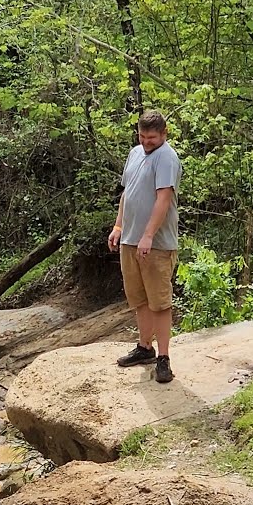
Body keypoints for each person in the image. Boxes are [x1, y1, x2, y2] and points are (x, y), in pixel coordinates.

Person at [108, 110, 182, 384]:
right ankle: (145, 348)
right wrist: (118, 227)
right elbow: (127, 193)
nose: (147, 141)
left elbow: (163, 199)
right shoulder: (135, 153)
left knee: (159, 302)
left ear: (164, 134)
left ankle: (163, 359)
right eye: (142, 136)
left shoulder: (167, 158)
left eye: (152, 137)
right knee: (139, 299)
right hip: (130, 240)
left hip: (157, 244)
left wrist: (148, 235)